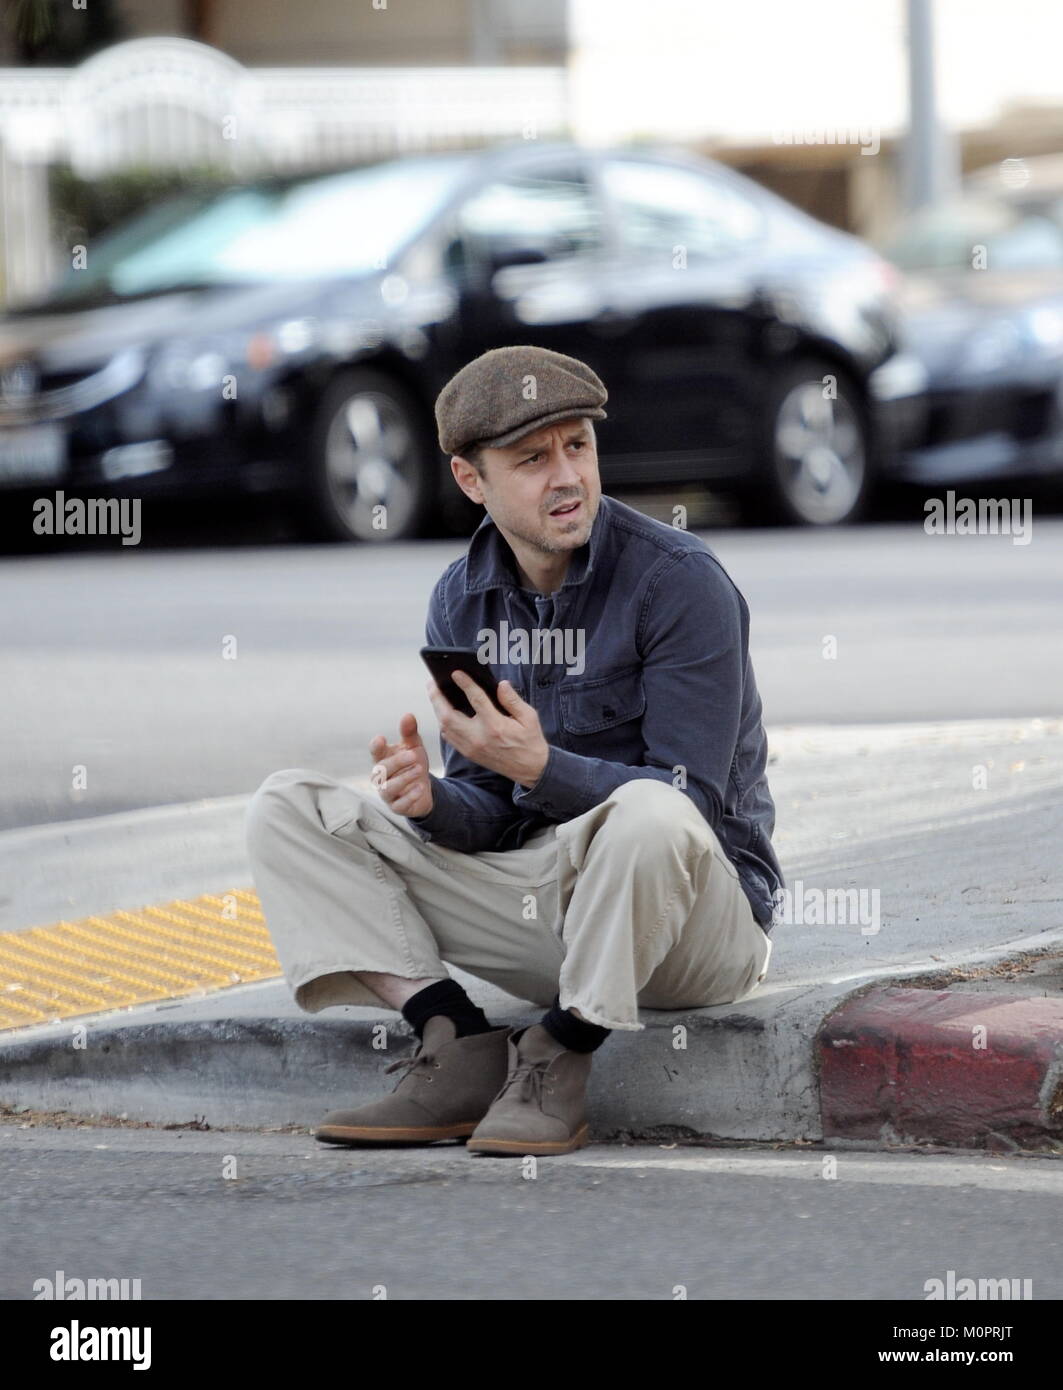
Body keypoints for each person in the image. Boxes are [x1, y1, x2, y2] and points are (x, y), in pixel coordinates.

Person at [244, 344, 784, 1157]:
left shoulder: (678, 582)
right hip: (548, 908)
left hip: (694, 927)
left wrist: (540, 766)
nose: (566, 477)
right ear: (472, 481)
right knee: (290, 807)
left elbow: (694, 807)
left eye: (578, 446)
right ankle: (454, 1043)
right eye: (532, 459)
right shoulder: (460, 598)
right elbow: (491, 816)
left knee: (650, 810)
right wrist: (433, 803)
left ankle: (557, 1054)